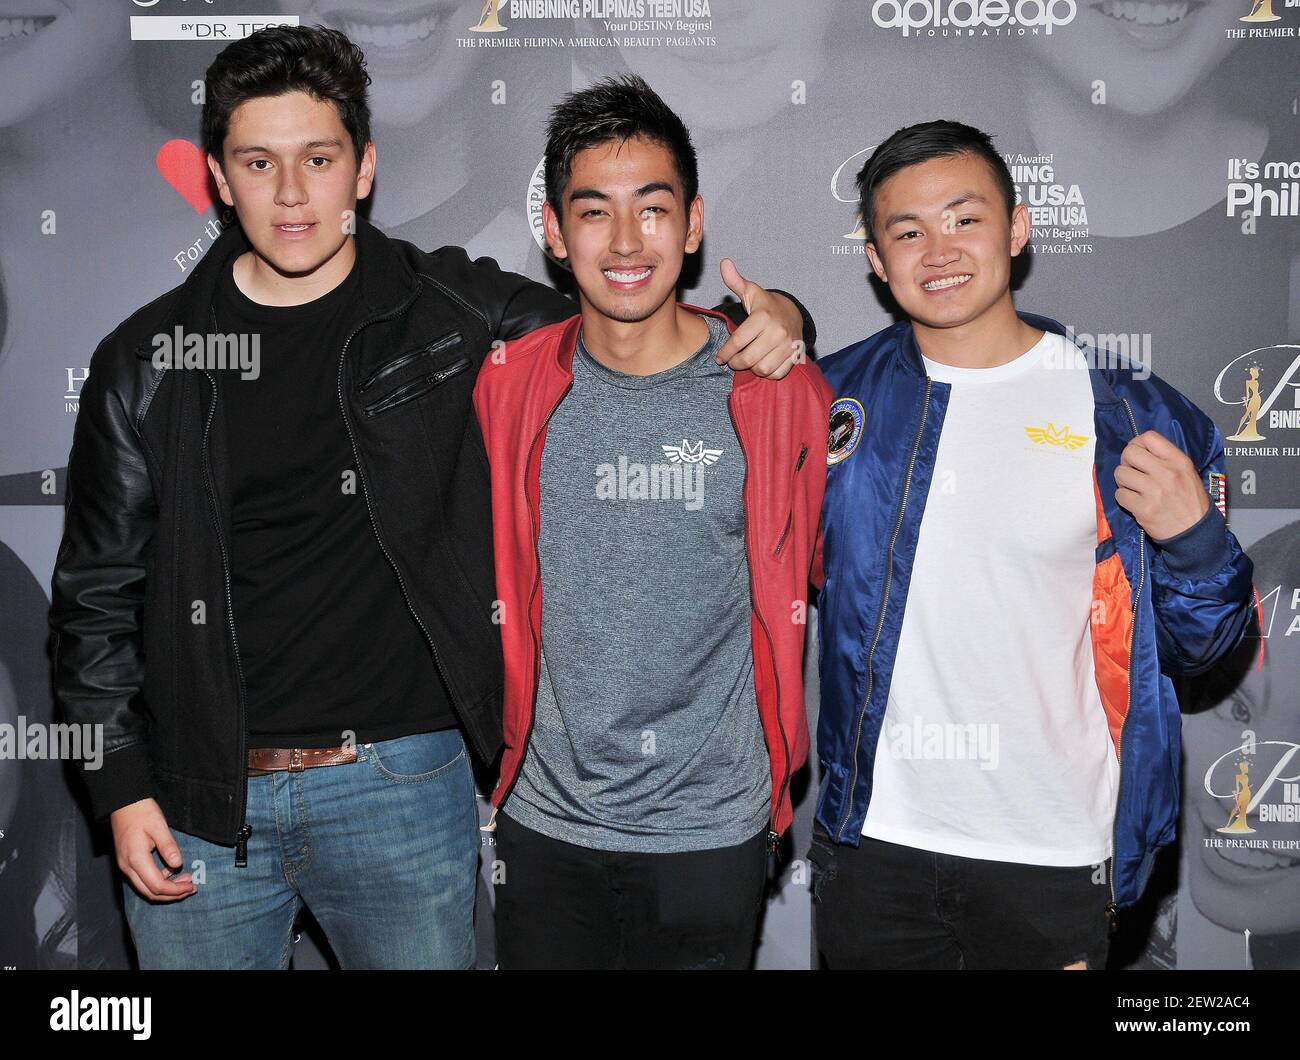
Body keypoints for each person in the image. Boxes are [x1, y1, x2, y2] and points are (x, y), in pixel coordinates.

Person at [48, 25, 813, 971]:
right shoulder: (149, 359)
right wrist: (118, 787)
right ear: (218, 175)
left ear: (363, 169)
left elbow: (632, 318)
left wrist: (772, 316)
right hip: (198, 799)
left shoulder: (452, 311)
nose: (292, 194)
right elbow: (93, 600)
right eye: (259, 161)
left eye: (318, 159)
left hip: (402, 787)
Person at [808, 119, 1256, 970]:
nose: (937, 250)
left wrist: (1195, 543)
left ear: (1016, 229)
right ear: (875, 258)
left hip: (1052, 851)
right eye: (908, 231)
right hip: (877, 846)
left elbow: (1205, 650)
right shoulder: (828, 403)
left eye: (963, 218)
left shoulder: (1133, 416)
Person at [474, 75, 832, 970]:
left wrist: (791, 318)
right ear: (554, 233)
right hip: (545, 825)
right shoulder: (508, 385)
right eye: (594, 212)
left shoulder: (775, 392)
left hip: (711, 830)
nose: (627, 241)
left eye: (653, 208)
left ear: (694, 224)